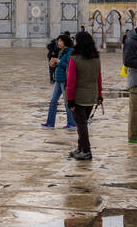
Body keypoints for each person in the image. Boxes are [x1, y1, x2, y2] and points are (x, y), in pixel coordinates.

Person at [65, 29, 102, 161]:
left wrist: (70, 100)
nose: (73, 42)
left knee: (81, 125)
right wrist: (99, 95)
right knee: (83, 123)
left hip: (78, 97)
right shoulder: (96, 58)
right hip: (92, 96)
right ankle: (80, 148)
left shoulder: (74, 59)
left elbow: (71, 82)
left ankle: (86, 150)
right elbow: (99, 78)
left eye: (75, 40)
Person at [42, 33, 76, 130]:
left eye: (60, 41)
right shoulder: (62, 51)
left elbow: (70, 65)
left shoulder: (70, 51)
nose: (58, 42)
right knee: (53, 101)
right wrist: (54, 64)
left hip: (65, 80)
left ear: (65, 42)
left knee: (67, 102)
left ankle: (71, 123)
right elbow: (60, 65)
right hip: (58, 79)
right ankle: (50, 123)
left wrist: (58, 61)